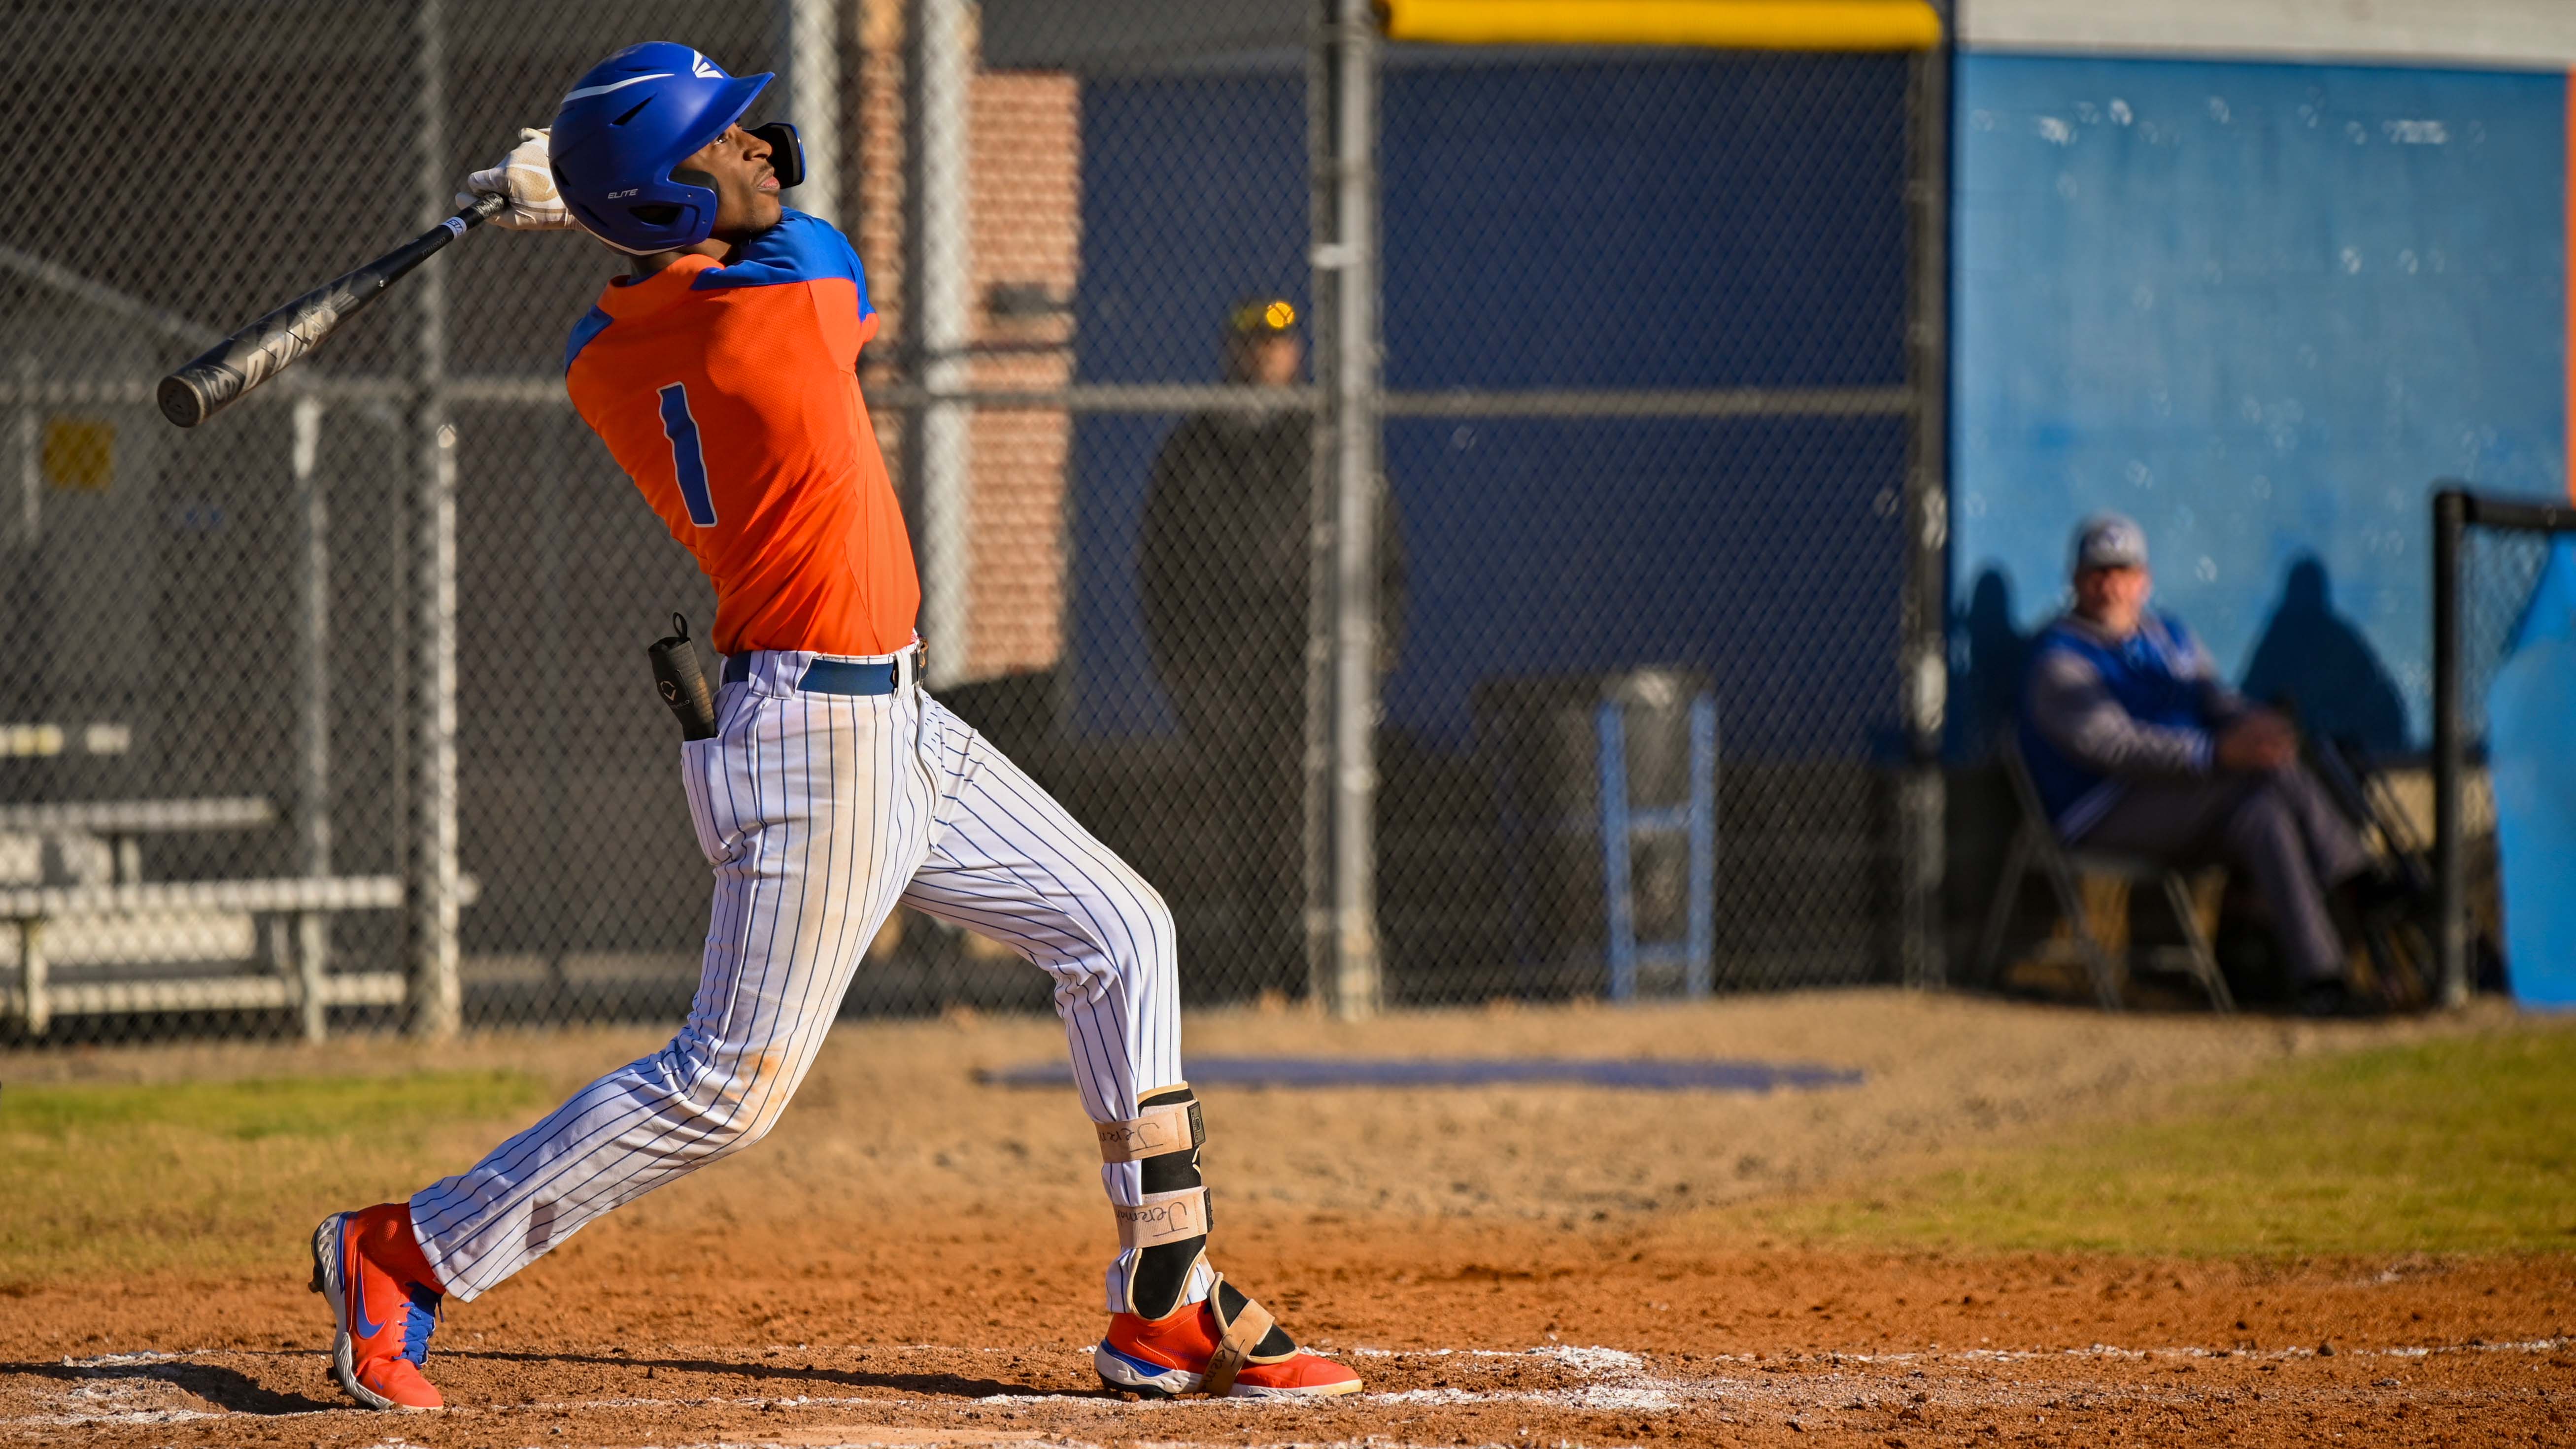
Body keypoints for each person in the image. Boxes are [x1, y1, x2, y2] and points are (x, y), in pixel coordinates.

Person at [305, 43, 1360, 1412]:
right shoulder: (778, 311)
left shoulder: (601, 359)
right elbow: (802, 240)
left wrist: (602, 202)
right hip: (819, 748)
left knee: (1122, 930)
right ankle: (406, 1250)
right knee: (725, 1088)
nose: (758, 144)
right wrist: (594, 195)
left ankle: (1164, 1295)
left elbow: (669, 275)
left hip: (888, 715)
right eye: (720, 138)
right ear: (667, 199)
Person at [1137, 299, 1402, 989]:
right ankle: (1260, 969)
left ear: (1298, 354)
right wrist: (1183, 670)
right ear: (1231, 352)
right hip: (1223, 673)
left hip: (1307, 668)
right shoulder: (1195, 448)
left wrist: (1377, 649)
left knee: (1304, 815)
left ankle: (1317, 965)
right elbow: (1159, 568)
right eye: (1252, 342)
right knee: (1247, 821)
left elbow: (1383, 556)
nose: (1265, 354)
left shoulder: (1326, 445)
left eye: (1278, 342)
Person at [2017, 514, 2375, 1016]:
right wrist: (2215, 752)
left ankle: (2322, 980)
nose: (2110, 587)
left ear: (2144, 581)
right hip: (2103, 809)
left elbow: (2213, 697)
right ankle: (2359, 883)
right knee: (2257, 778)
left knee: (2264, 813)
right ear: (2075, 580)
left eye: (2122, 573)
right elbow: (2118, 748)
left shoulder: (2168, 637)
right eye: (2097, 574)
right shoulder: (2058, 659)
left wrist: (2253, 724)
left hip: (2186, 797)